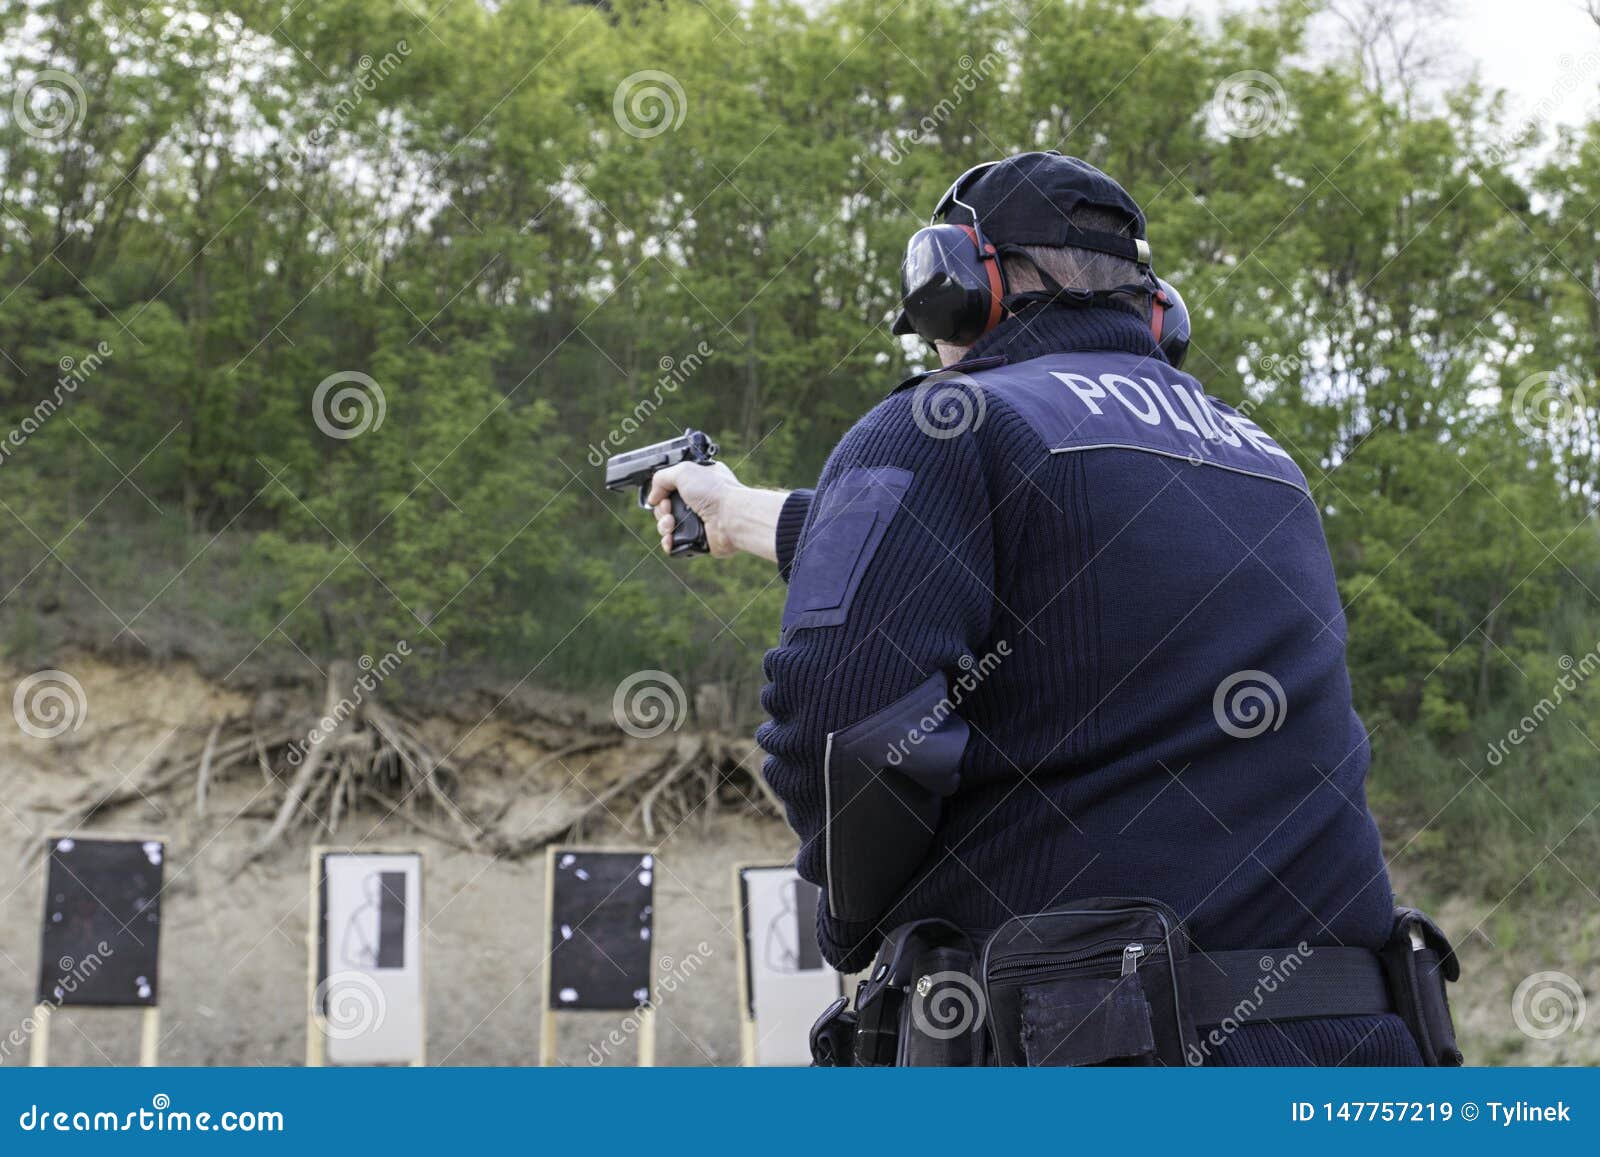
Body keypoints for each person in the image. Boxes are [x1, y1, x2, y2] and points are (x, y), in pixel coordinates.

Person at [647, 152, 1453, 1066]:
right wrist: (746, 510)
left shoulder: (942, 423)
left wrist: (852, 917)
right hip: (1361, 1048)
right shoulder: (1263, 464)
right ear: (1154, 308)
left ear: (964, 286)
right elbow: (1039, 570)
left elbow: (843, 727)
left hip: (1106, 1050)